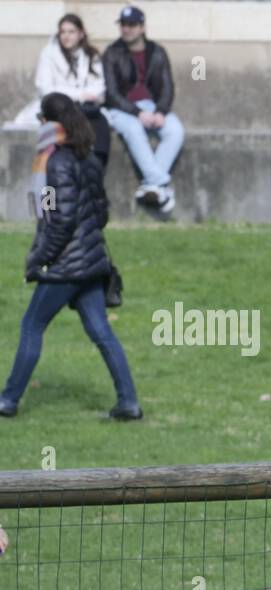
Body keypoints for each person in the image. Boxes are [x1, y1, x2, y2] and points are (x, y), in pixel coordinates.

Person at [0, 93, 142, 421]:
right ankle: (128, 402)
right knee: (101, 332)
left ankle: (8, 399)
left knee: (31, 325)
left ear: (53, 123)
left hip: (65, 267)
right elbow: (100, 213)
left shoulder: (56, 162)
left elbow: (56, 220)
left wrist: (40, 260)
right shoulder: (89, 159)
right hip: (91, 264)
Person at [102, 5, 183, 214]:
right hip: (123, 110)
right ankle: (161, 184)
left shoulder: (157, 52)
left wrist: (161, 112)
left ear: (142, 27)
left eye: (131, 25)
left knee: (175, 130)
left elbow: (167, 87)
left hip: (153, 107)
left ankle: (152, 186)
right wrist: (137, 113)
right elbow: (111, 93)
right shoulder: (112, 53)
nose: (126, 29)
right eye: (123, 25)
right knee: (133, 130)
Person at [37, 15, 112, 168]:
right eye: (63, 32)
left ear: (81, 33)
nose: (66, 36)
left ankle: (96, 167)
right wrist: (79, 94)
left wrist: (82, 96)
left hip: (86, 107)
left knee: (100, 123)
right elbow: (46, 87)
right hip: (58, 108)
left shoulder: (91, 55)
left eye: (71, 31)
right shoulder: (49, 54)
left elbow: (98, 86)